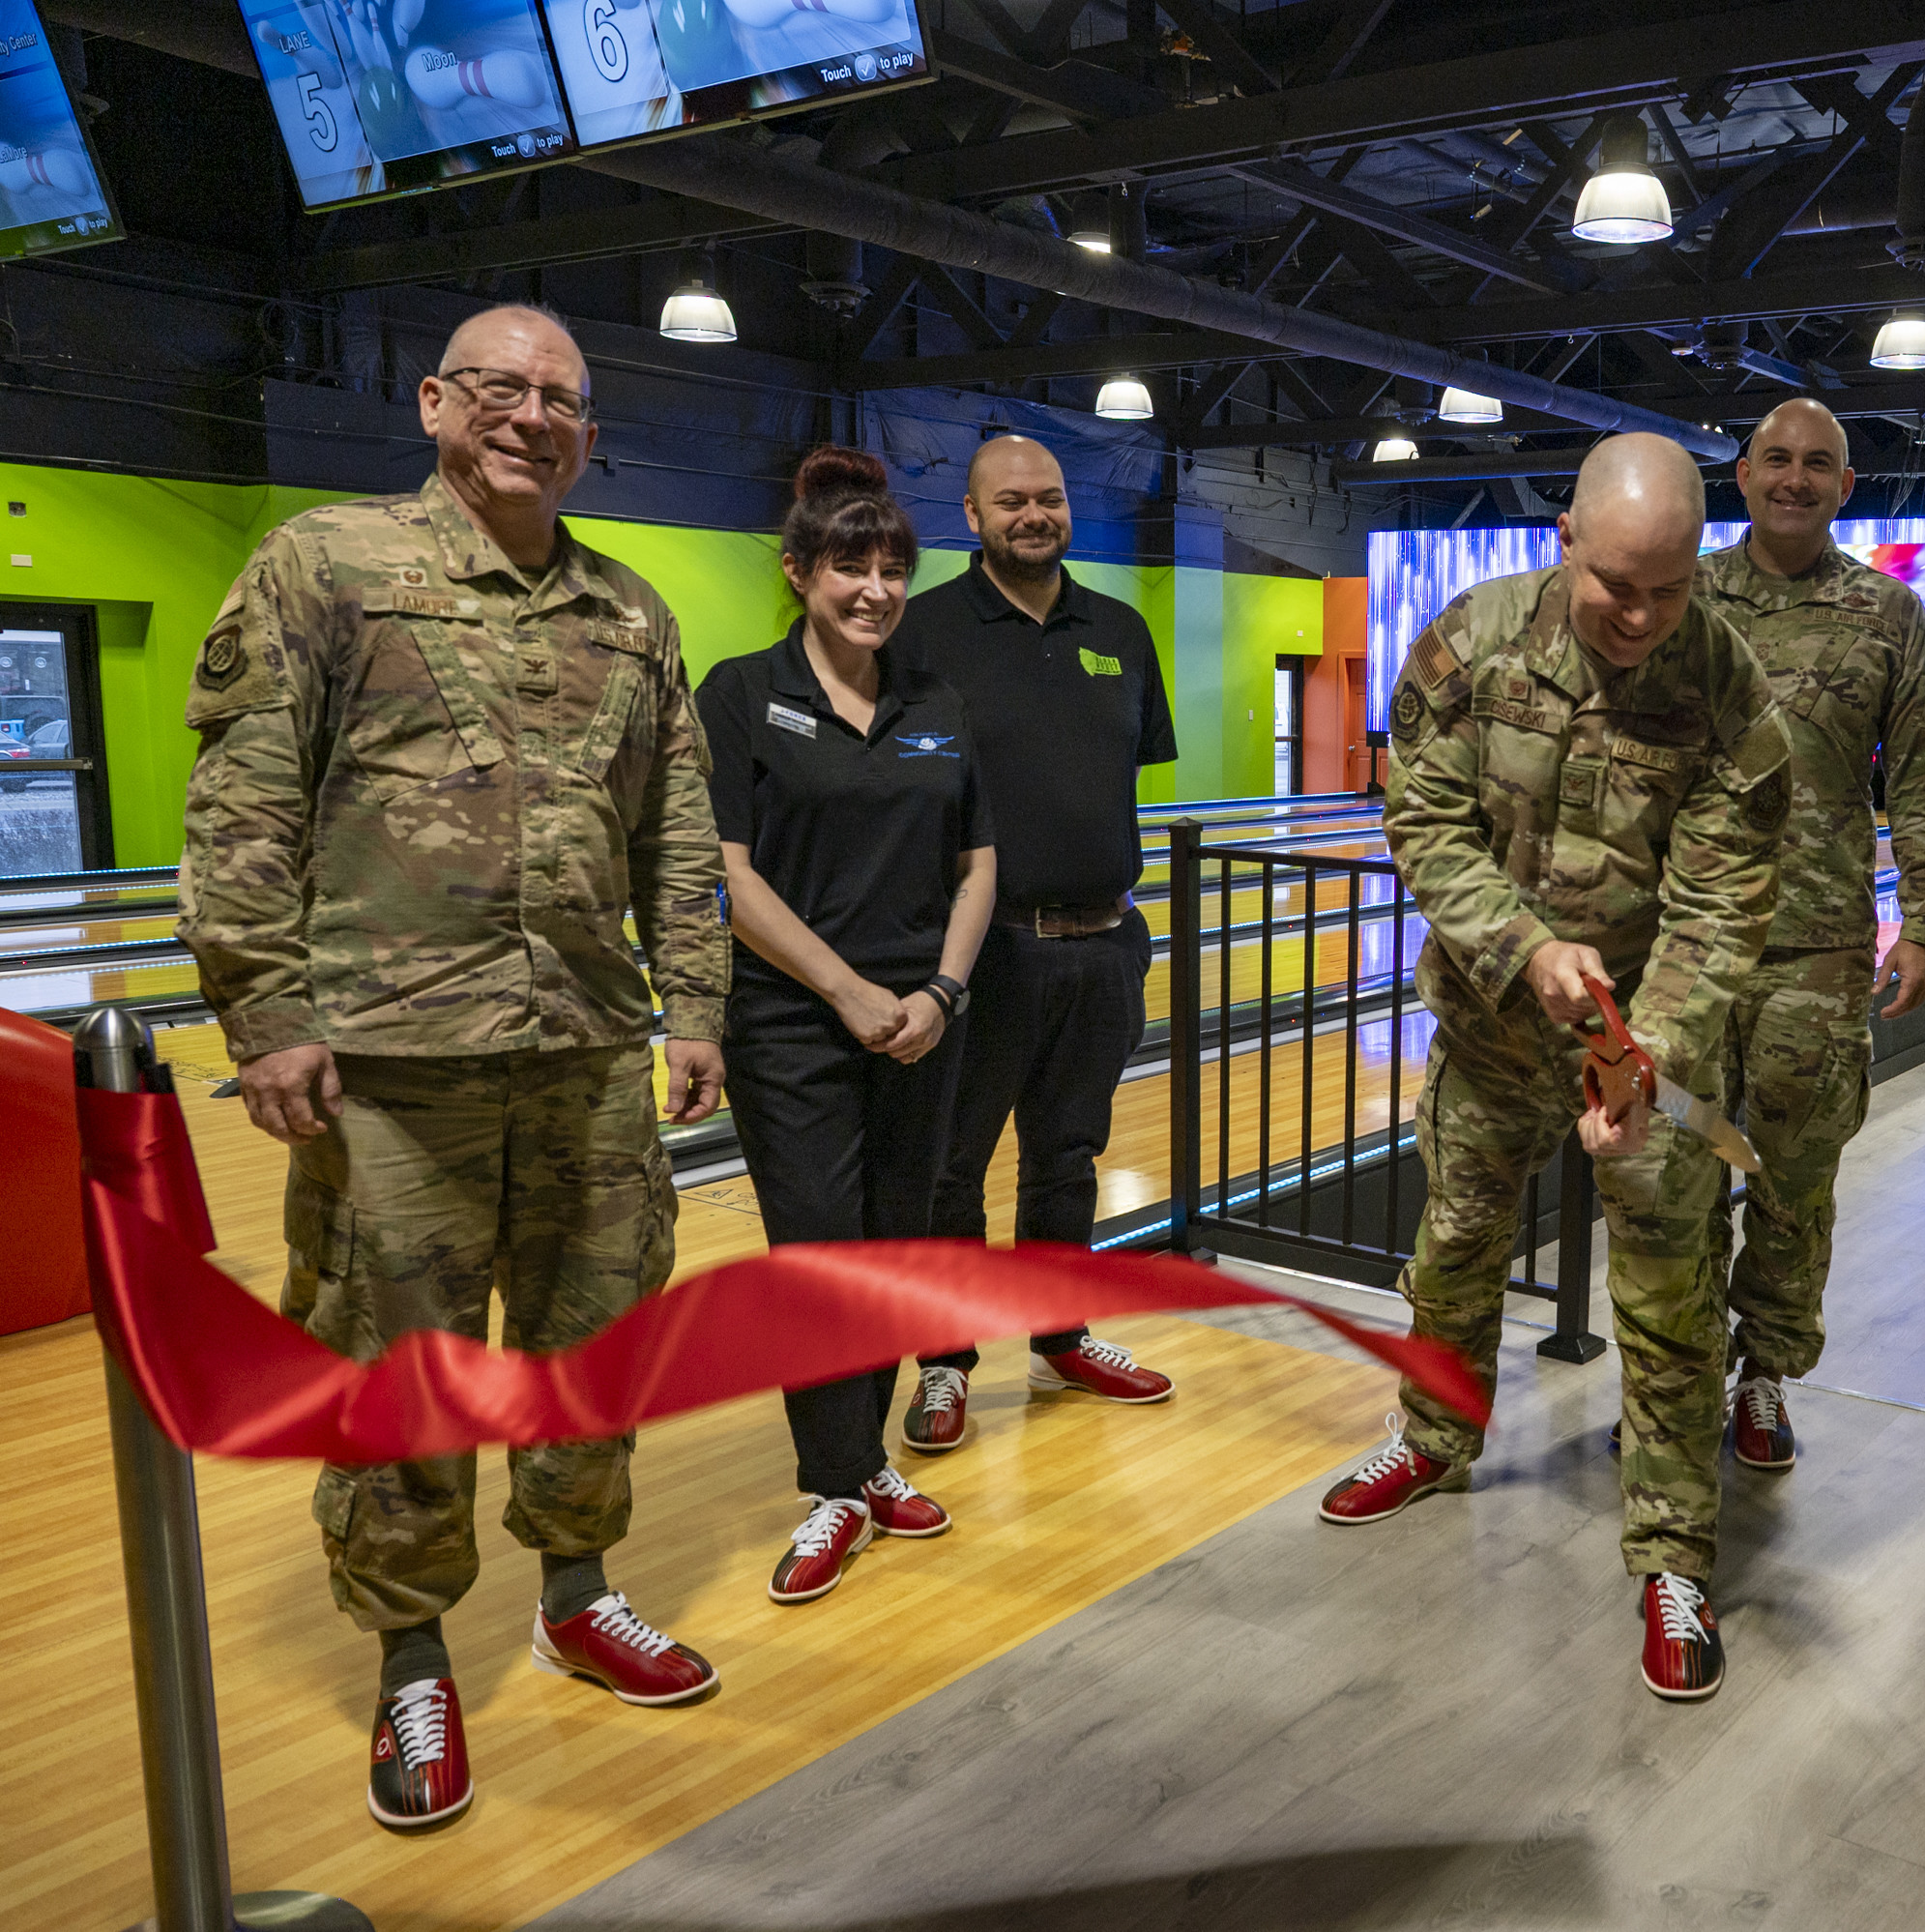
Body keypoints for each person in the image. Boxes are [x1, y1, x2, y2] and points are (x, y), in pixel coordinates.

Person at [176, 303, 729, 1831]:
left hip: (589, 1055)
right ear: (432, 402)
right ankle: (412, 1654)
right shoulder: (324, 564)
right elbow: (242, 805)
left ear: (588, 435)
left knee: (589, 1347)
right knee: (399, 1369)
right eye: (500, 387)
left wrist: (694, 1005)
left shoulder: (632, 611)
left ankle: (577, 1593)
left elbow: (679, 830)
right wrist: (266, 1012)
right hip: (391, 1067)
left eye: (562, 399)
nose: (531, 416)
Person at [1317, 432, 1791, 1704]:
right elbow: (1425, 821)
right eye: (1615, 585)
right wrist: (1523, 949)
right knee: (1458, 1245)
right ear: (1563, 539)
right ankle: (1434, 1434)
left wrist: (1646, 1062)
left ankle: (1674, 1551)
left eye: (1670, 590)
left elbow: (1720, 905)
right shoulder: (1469, 644)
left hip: (1644, 1044)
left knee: (1671, 1294)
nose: (1639, 616)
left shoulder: (1730, 692)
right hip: (1492, 1027)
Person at [697, 448, 998, 1606]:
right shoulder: (741, 693)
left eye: (892, 571)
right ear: (798, 572)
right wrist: (848, 992)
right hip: (793, 1022)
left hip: (923, 1021)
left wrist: (942, 994)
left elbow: (977, 866)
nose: (875, 590)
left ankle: (861, 1464)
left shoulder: (936, 702)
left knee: (889, 1246)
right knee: (821, 1253)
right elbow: (731, 875)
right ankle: (833, 1484)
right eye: (849, 568)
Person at [892, 433, 1181, 1438]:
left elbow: (1115, 776)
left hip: (1101, 946)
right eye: (1010, 501)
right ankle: (945, 1361)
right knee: (952, 1168)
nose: (1034, 516)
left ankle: (1060, 1337)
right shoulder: (922, 632)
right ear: (972, 516)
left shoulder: (1120, 630)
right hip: (983, 956)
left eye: (1049, 498)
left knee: (1068, 1155)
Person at [1691, 397, 1925, 1471]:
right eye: (1776, 459)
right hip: (1684, 950)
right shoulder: (1683, 597)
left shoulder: (1887, 614)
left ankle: (1764, 1374)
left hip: (1818, 951)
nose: (1793, 478)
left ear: (1846, 487)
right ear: (1744, 475)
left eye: (1817, 464)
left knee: (1794, 1183)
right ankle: (1677, 1379)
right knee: (1676, 1181)